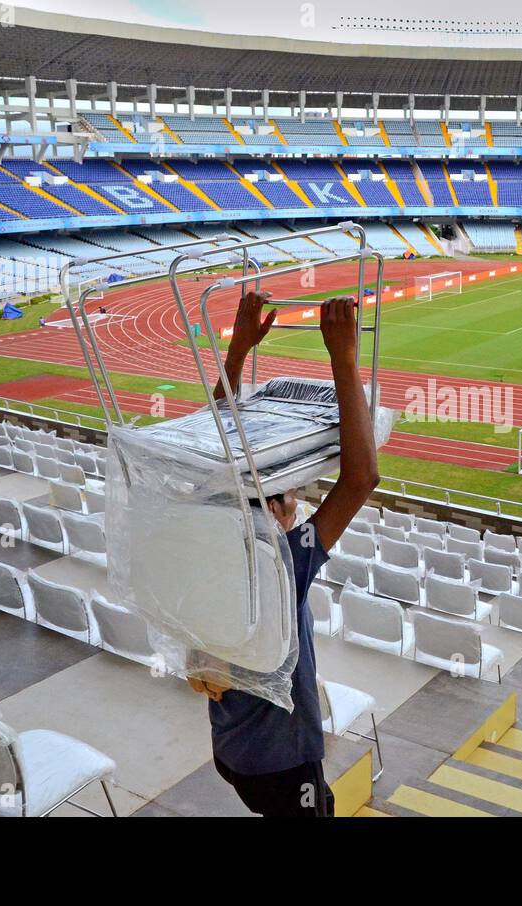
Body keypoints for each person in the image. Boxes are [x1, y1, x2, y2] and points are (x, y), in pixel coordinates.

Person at [187, 291, 379, 816]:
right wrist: (344, 360)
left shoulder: (204, 541)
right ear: (272, 510)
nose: (299, 502)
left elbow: (218, 449)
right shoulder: (281, 568)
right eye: (292, 493)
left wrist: (238, 351)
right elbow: (362, 478)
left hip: (230, 750)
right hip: (283, 766)